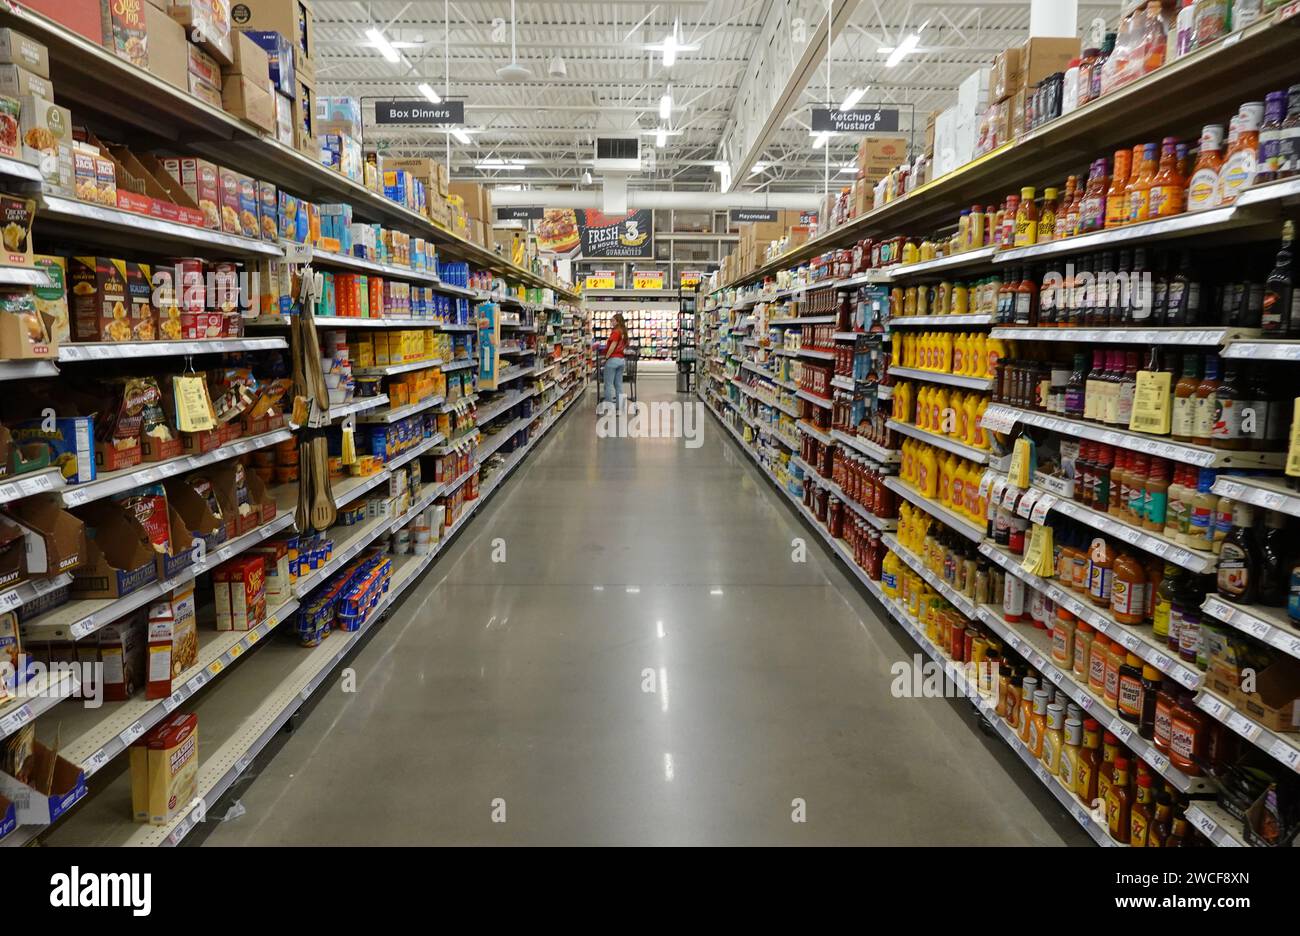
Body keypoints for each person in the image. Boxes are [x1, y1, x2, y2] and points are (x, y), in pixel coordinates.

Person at [602, 312, 628, 408]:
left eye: (613, 320)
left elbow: (612, 346)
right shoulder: (623, 332)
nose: (611, 322)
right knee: (618, 385)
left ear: (617, 321)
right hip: (621, 360)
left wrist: (606, 358)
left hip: (613, 360)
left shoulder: (616, 332)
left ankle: (609, 407)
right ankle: (619, 407)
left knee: (608, 385)